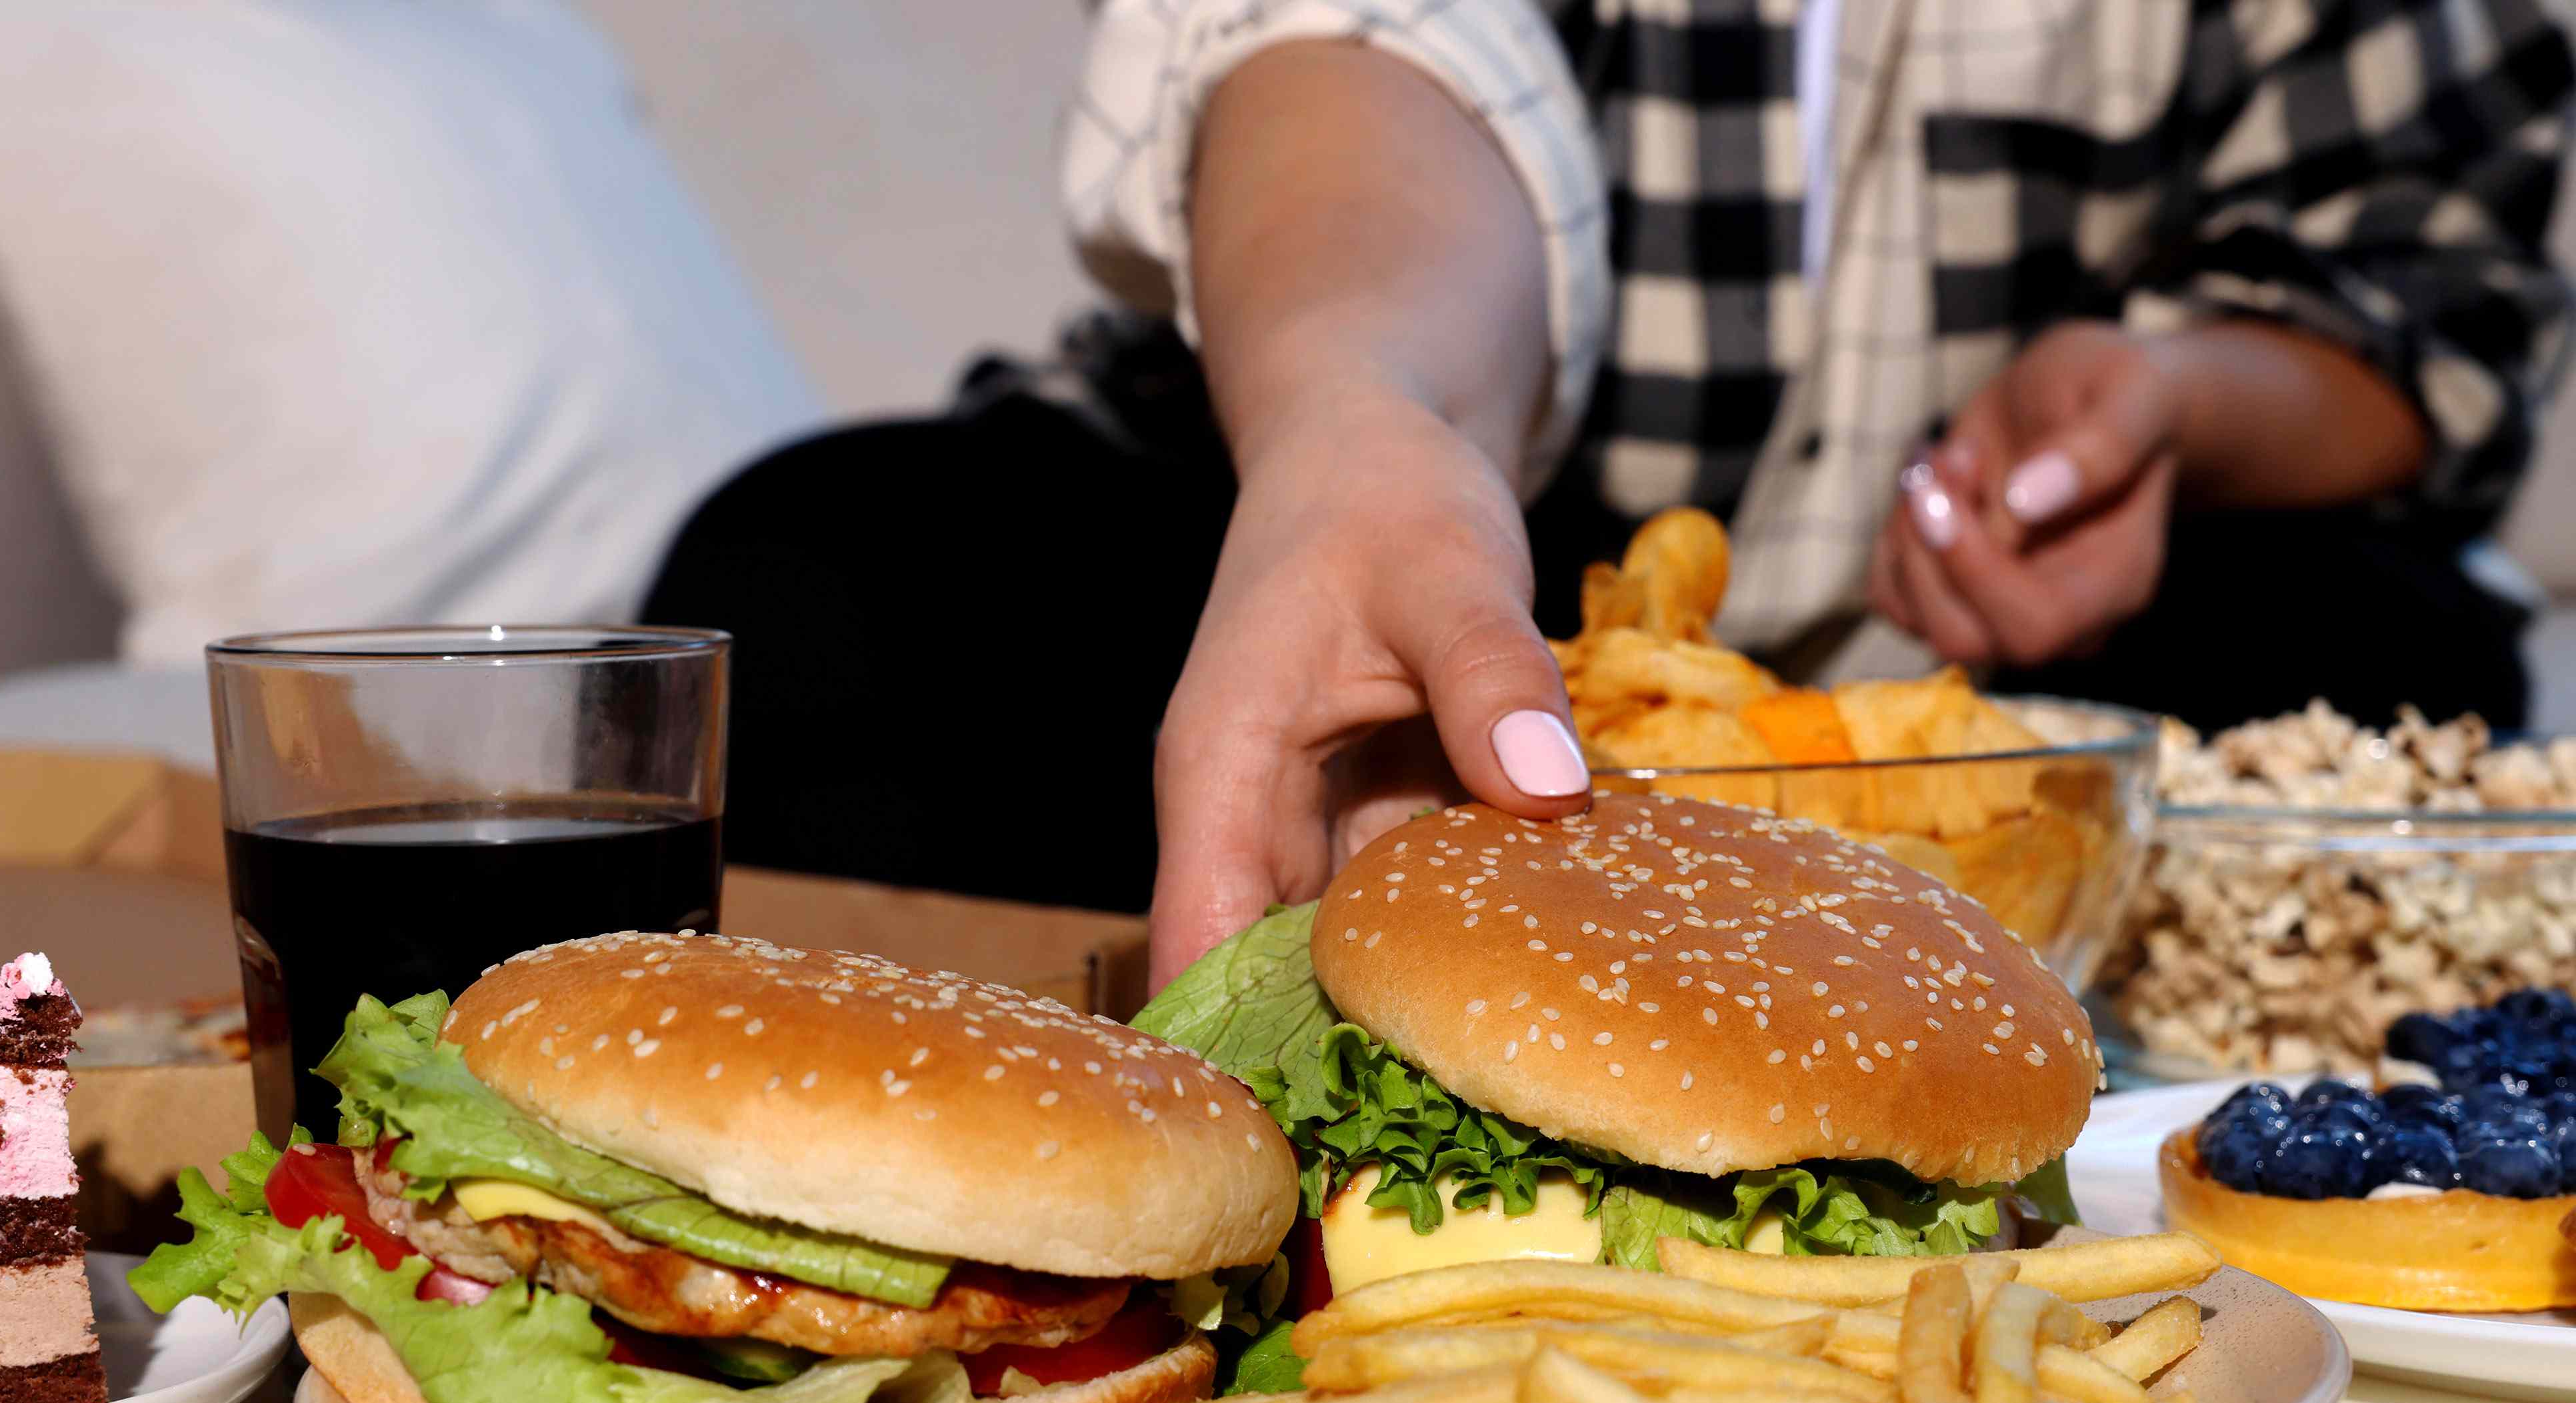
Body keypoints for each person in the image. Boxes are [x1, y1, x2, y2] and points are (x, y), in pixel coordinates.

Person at [642, 0, 2574, 993]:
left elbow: (2424, 270)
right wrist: (1357, 417)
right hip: (1387, 537)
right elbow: (1363, 52)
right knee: (815, 588)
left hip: (2022, 659)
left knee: (2393, 657)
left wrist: (2178, 406)